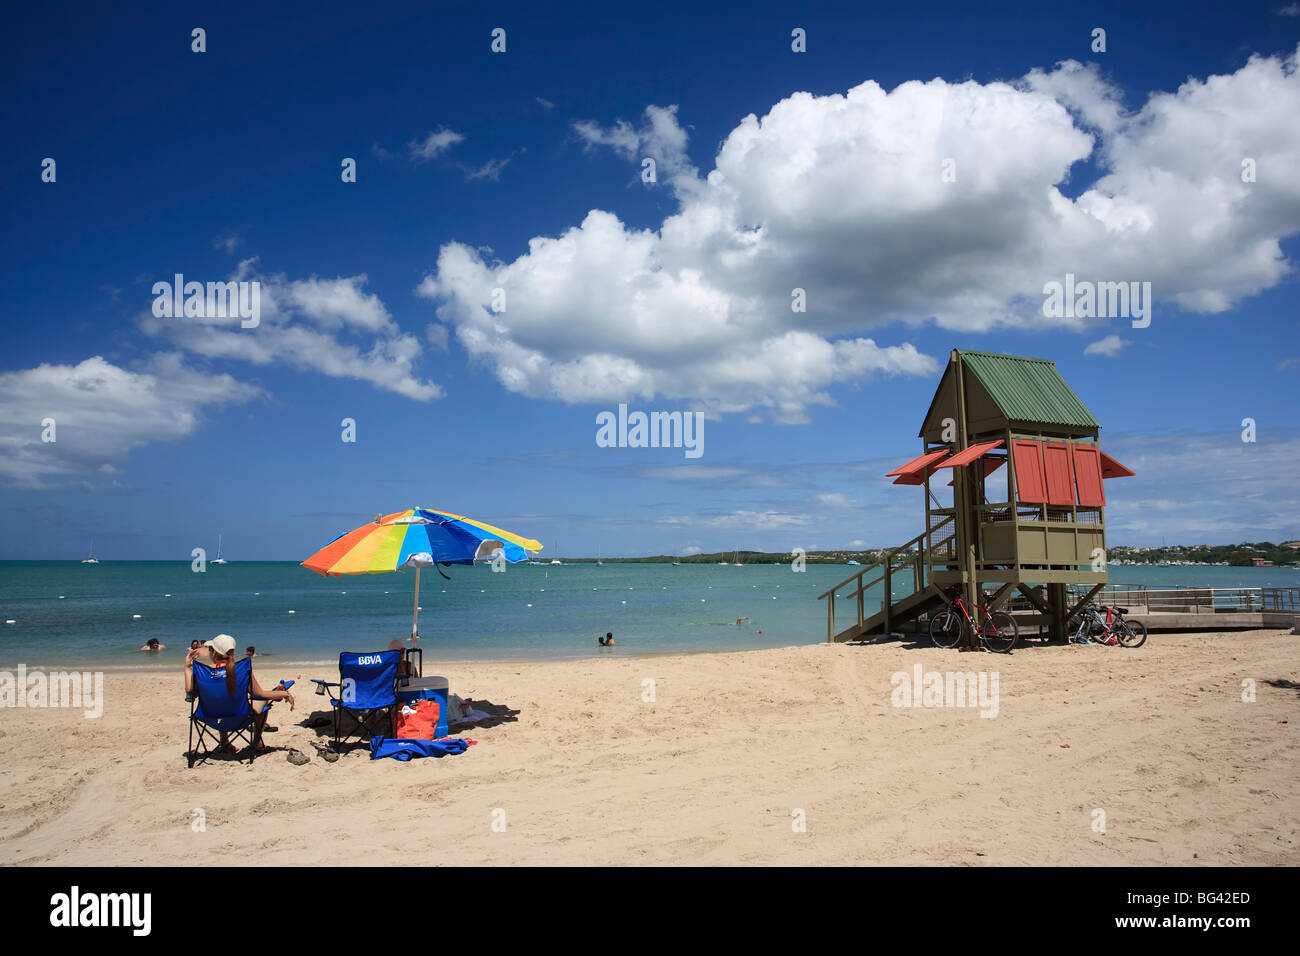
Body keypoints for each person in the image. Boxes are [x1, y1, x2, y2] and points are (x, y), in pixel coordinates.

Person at [184, 634, 294, 752]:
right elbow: (260, 694)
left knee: (221, 699)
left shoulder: (203, 673)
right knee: (263, 702)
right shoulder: (241, 670)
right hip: (241, 718)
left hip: (210, 719)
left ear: (214, 653)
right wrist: (285, 694)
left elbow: (190, 692)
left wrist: (186, 667)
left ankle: (224, 742)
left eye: (210, 649)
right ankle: (256, 743)